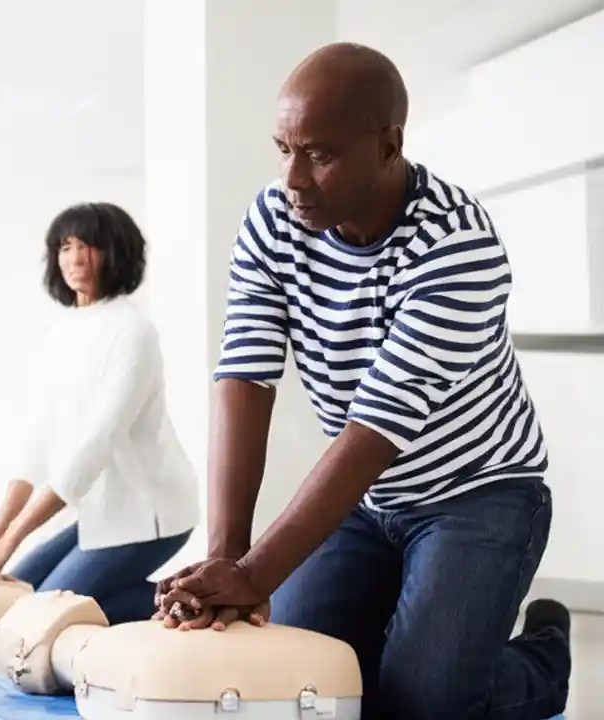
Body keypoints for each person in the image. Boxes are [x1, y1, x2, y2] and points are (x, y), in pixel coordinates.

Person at [155, 43, 571, 719]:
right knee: (301, 679)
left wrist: (258, 574)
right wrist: (226, 553)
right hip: (369, 502)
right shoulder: (273, 218)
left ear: (388, 144)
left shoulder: (457, 245)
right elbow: (245, 377)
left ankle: (543, 661)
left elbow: (374, 430)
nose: (294, 178)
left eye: (318, 154)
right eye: (283, 149)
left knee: (421, 703)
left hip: (478, 493)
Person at [0, 203, 198, 624]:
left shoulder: (132, 330)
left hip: (149, 513)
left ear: (116, 252)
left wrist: (10, 543)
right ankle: (184, 597)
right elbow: (35, 447)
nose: (75, 258)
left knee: (43, 612)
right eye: (66, 246)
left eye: (90, 245)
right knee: (16, 598)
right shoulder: (61, 331)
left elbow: (94, 446)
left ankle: (206, 600)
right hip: (102, 514)